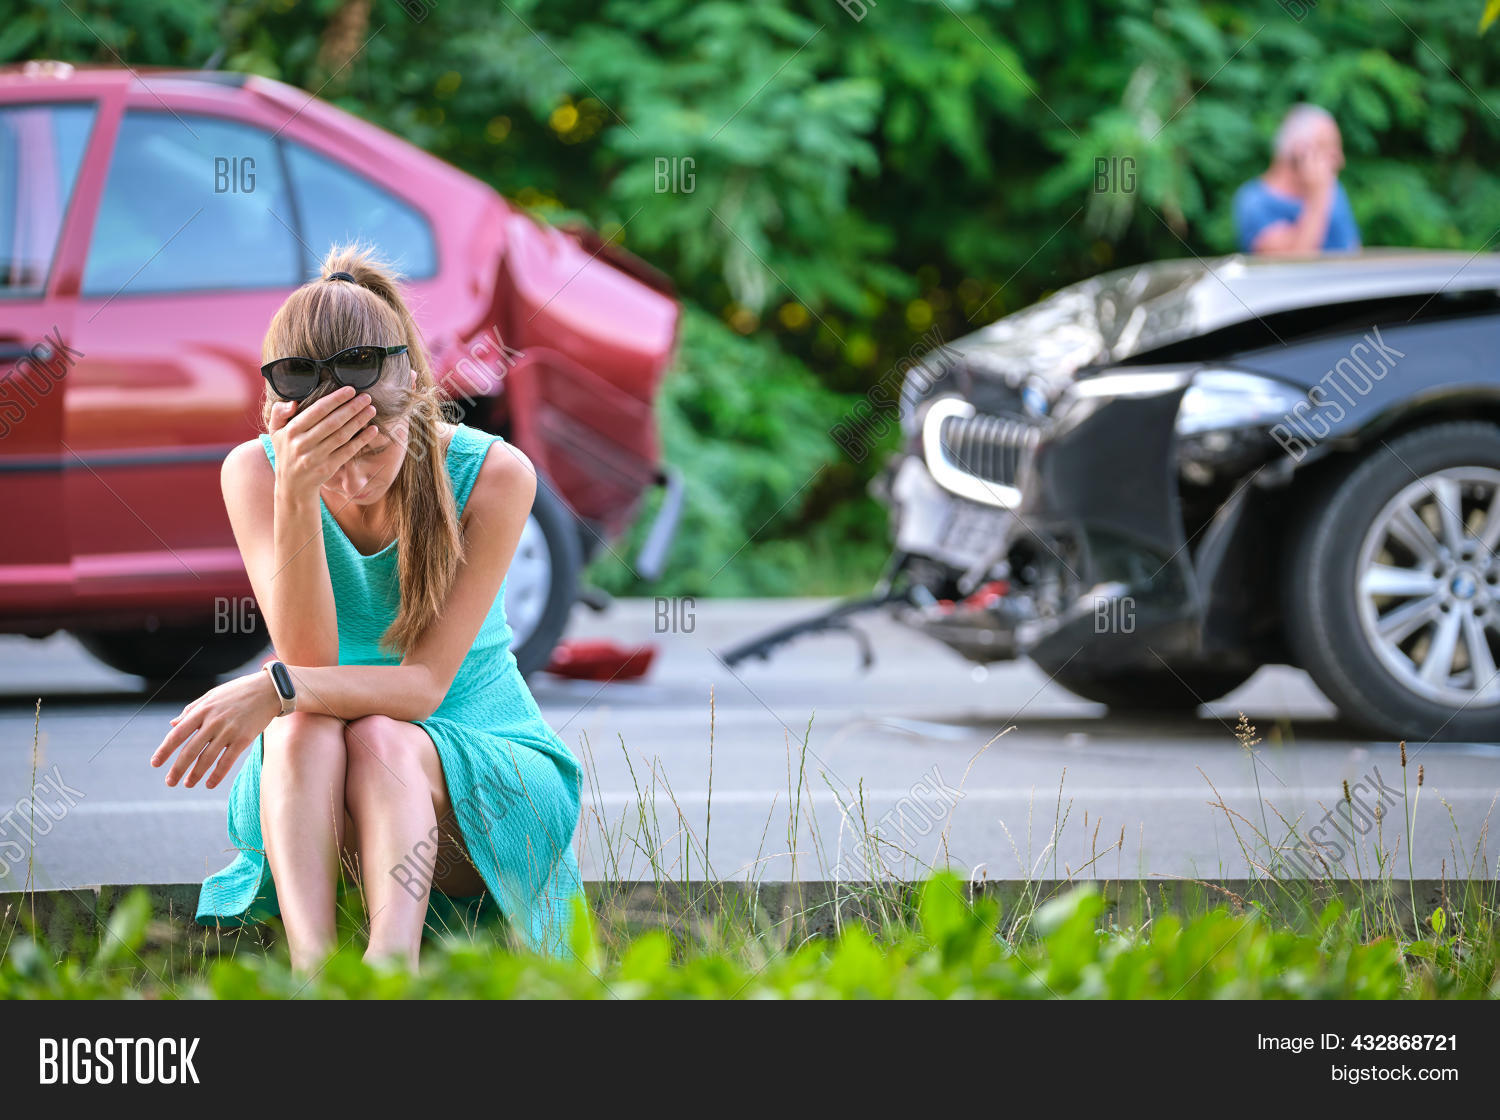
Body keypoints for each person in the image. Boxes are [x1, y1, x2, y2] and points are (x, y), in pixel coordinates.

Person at [151, 244, 584, 970]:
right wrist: (296, 492)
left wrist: (274, 688)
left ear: (411, 392)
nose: (352, 481)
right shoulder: (255, 473)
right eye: (330, 459)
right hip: (323, 780)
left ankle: (390, 972)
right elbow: (312, 661)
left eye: (372, 450)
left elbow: (422, 689)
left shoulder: (494, 475)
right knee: (300, 734)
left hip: (484, 781)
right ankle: (317, 976)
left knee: (381, 738)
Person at [1233, 103, 1361, 255]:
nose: (1340, 161)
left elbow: (1354, 253)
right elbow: (1293, 262)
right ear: (1301, 151)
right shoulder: (1255, 200)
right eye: (1330, 151)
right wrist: (1317, 198)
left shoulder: (1334, 190)